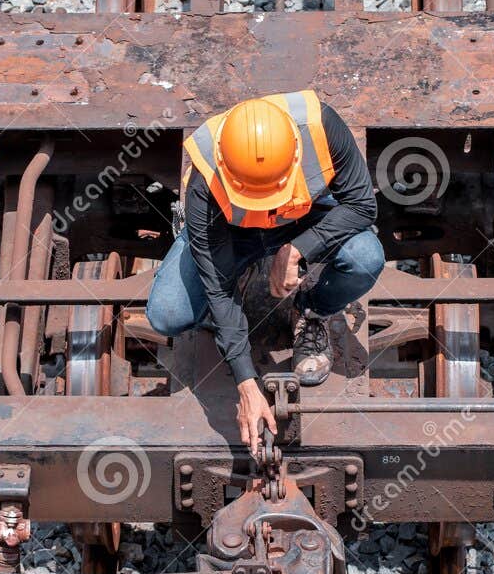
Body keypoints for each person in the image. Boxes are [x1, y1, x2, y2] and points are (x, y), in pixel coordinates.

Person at [145, 90, 384, 457]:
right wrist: (246, 382)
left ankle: (311, 310)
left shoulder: (322, 127)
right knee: (168, 314)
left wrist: (298, 248)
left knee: (365, 258)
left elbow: (362, 205)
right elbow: (220, 293)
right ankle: (231, 288)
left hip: (303, 219)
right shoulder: (204, 184)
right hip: (230, 235)